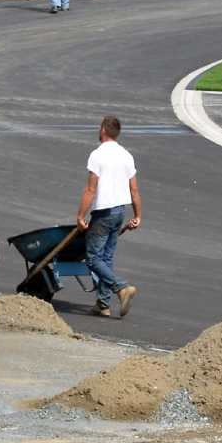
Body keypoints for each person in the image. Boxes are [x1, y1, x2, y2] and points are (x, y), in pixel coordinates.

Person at [74, 114, 140, 318]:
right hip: (120, 211)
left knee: (93, 259)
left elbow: (90, 189)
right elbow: (134, 189)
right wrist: (138, 215)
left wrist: (80, 216)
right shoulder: (126, 155)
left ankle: (121, 288)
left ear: (103, 130)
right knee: (106, 258)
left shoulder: (97, 155)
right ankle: (103, 304)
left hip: (103, 213)